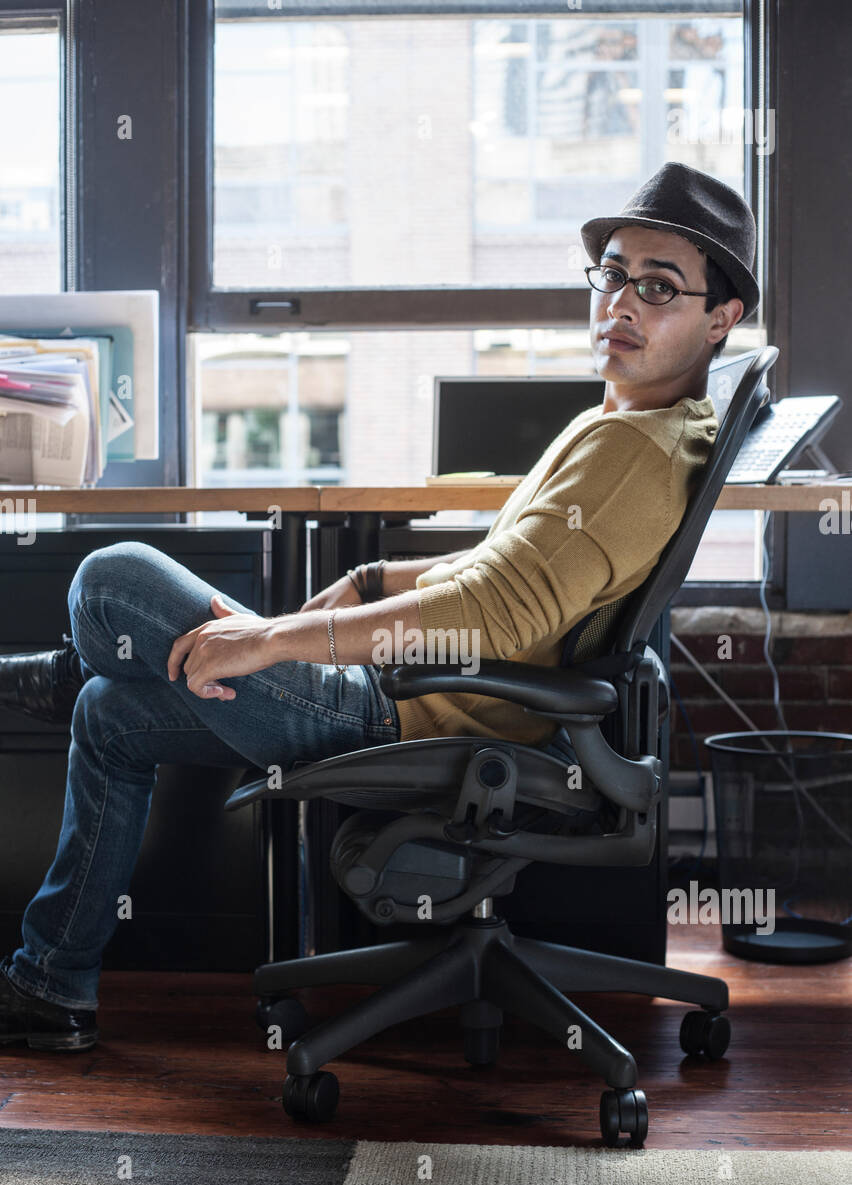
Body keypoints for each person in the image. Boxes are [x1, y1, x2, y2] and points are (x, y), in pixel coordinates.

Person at [0, 161, 758, 1051]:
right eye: (614, 274)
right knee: (112, 713)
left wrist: (274, 641)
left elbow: (489, 613)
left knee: (114, 577)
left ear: (721, 317)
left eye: (659, 287)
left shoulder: (633, 449)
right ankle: (53, 985)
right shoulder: (635, 426)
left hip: (413, 714)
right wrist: (368, 582)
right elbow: (493, 568)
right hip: (440, 702)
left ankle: (70, 661)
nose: (623, 303)